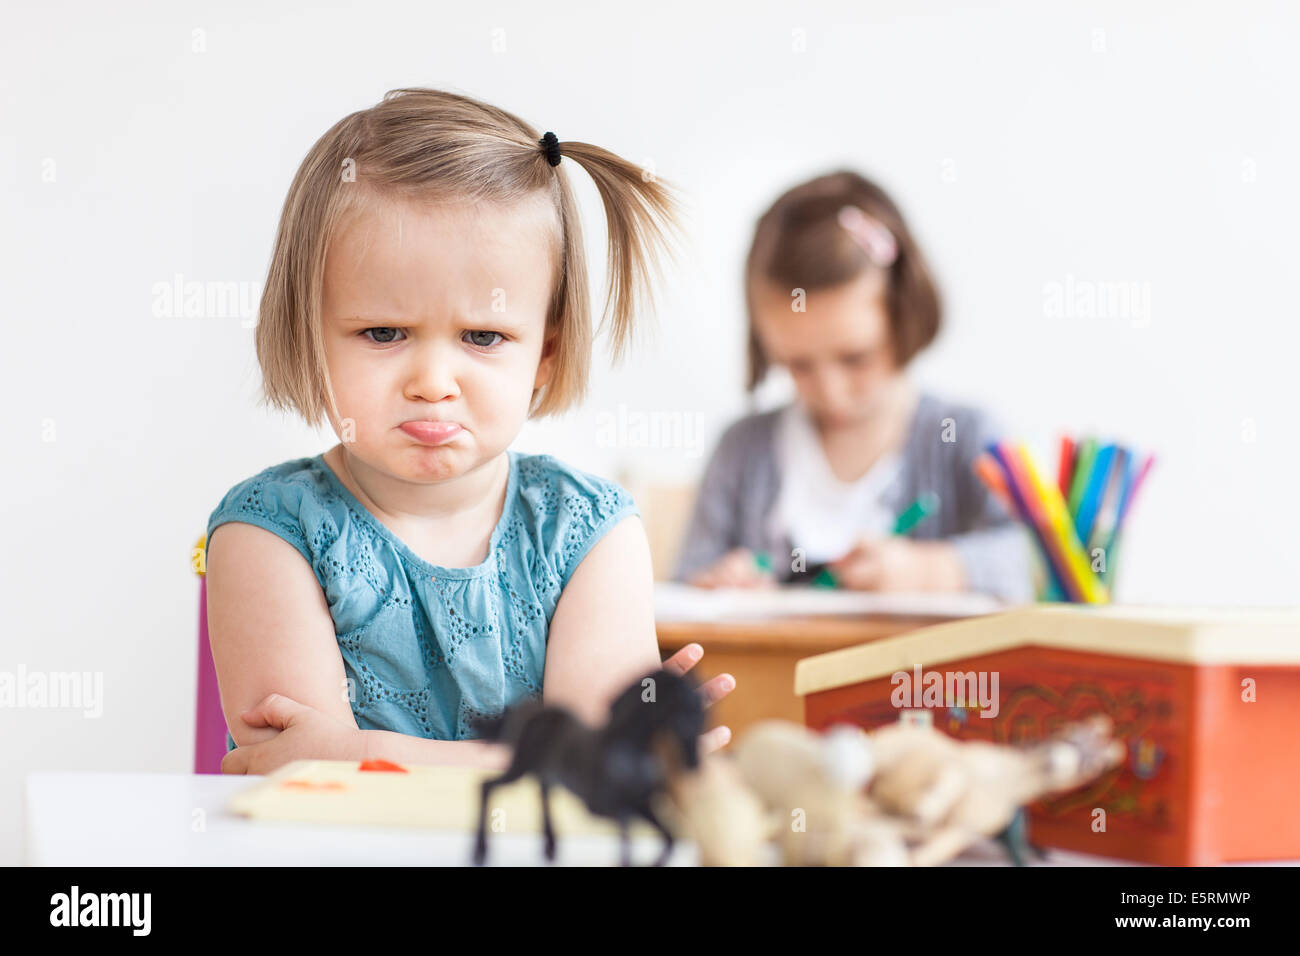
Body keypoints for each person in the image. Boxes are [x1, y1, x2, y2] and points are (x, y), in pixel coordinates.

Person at [206, 88, 733, 775]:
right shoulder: (267, 534)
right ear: (309, 335)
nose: (432, 380)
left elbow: (590, 782)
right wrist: (573, 764)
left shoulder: (588, 531)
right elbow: (306, 780)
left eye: (482, 336)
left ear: (544, 351)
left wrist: (357, 754)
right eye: (383, 332)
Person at [675, 170, 1032, 600]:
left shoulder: (968, 437)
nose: (831, 391)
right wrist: (715, 582)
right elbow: (684, 584)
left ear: (906, 315)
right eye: (798, 364)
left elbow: (1037, 564)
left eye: (855, 358)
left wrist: (934, 570)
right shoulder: (742, 450)